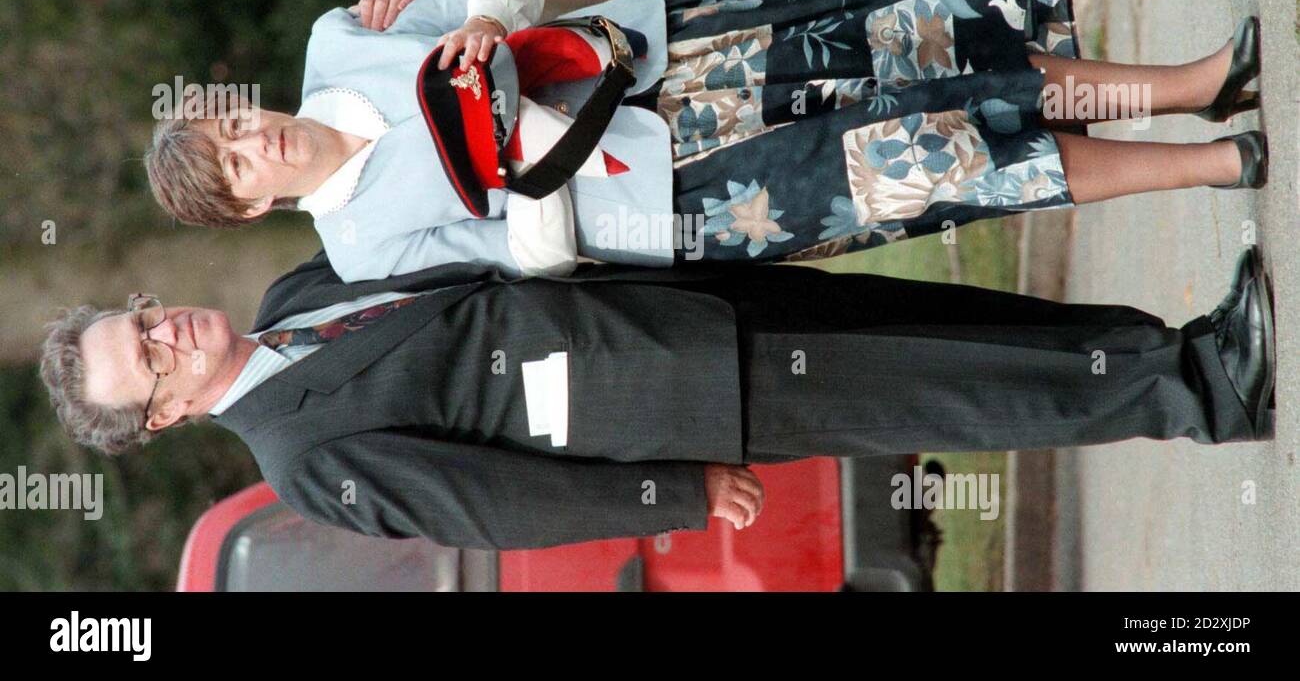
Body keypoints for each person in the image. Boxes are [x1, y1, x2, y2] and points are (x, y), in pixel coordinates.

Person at [38, 245, 1275, 550]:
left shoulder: (294, 285)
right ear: (162, 416)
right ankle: (1204, 393)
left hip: (666, 299)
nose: (165, 333)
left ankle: (1178, 344)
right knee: (945, 391)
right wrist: (674, 493)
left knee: (948, 322)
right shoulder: (307, 462)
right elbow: (493, 506)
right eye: (147, 360)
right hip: (672, 397)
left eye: (141, 319)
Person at [144, 0, 1267, 280]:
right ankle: (1210, 165)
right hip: (684, 193)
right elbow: (530, 259)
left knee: (926, 46)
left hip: (664, 49)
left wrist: (484, 26)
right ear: (252, 207)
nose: (256, 143)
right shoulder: (361, 247)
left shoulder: (339, 43)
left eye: (235, 127)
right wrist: (519, 136)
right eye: (238, 167)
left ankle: (1188, 85)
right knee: (945, 152)